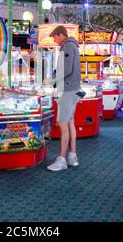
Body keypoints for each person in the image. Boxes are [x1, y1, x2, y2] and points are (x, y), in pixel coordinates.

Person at [44, 25, 82, 171]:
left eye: (54, 37)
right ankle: (72, 156)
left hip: (67, 91)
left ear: (61, 35)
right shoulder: (72, 46)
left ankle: (61, 160)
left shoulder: (67, 47)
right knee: (70, 122)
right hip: (73, 90)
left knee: (62, 124)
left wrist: (52, 81)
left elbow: (66, 70)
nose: (54, 40)